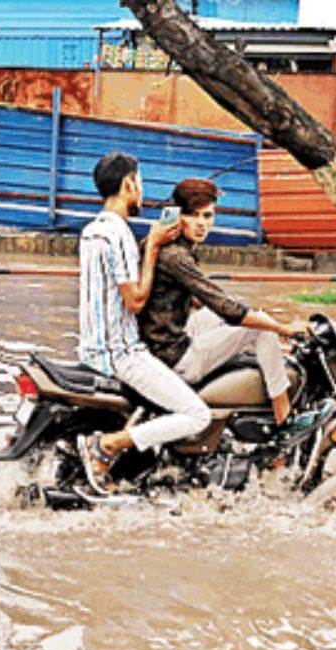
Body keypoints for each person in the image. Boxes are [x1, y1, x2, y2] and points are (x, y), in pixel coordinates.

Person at [76, 152, 211, 494]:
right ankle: (107, 445)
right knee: (197, 415)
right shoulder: (117, 234)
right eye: (140, 182)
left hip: (91, 348)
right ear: (128, 184)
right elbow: (135, 301)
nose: (142, 191)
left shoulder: (91, 232)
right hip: (121, 354)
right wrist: (152, 247)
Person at [139, 178, 309, 426]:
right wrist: (283, 328)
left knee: (252, 315)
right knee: (257, 325)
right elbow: (226, 308)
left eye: (207, 216)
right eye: (193, 215)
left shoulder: (172, 246)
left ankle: (265, 351)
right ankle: (282, 415)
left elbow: (200, 300)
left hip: (164, 340)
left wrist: (254, 319)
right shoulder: (175, 256)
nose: (201, 224)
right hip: (174, 358)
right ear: (178, 215)